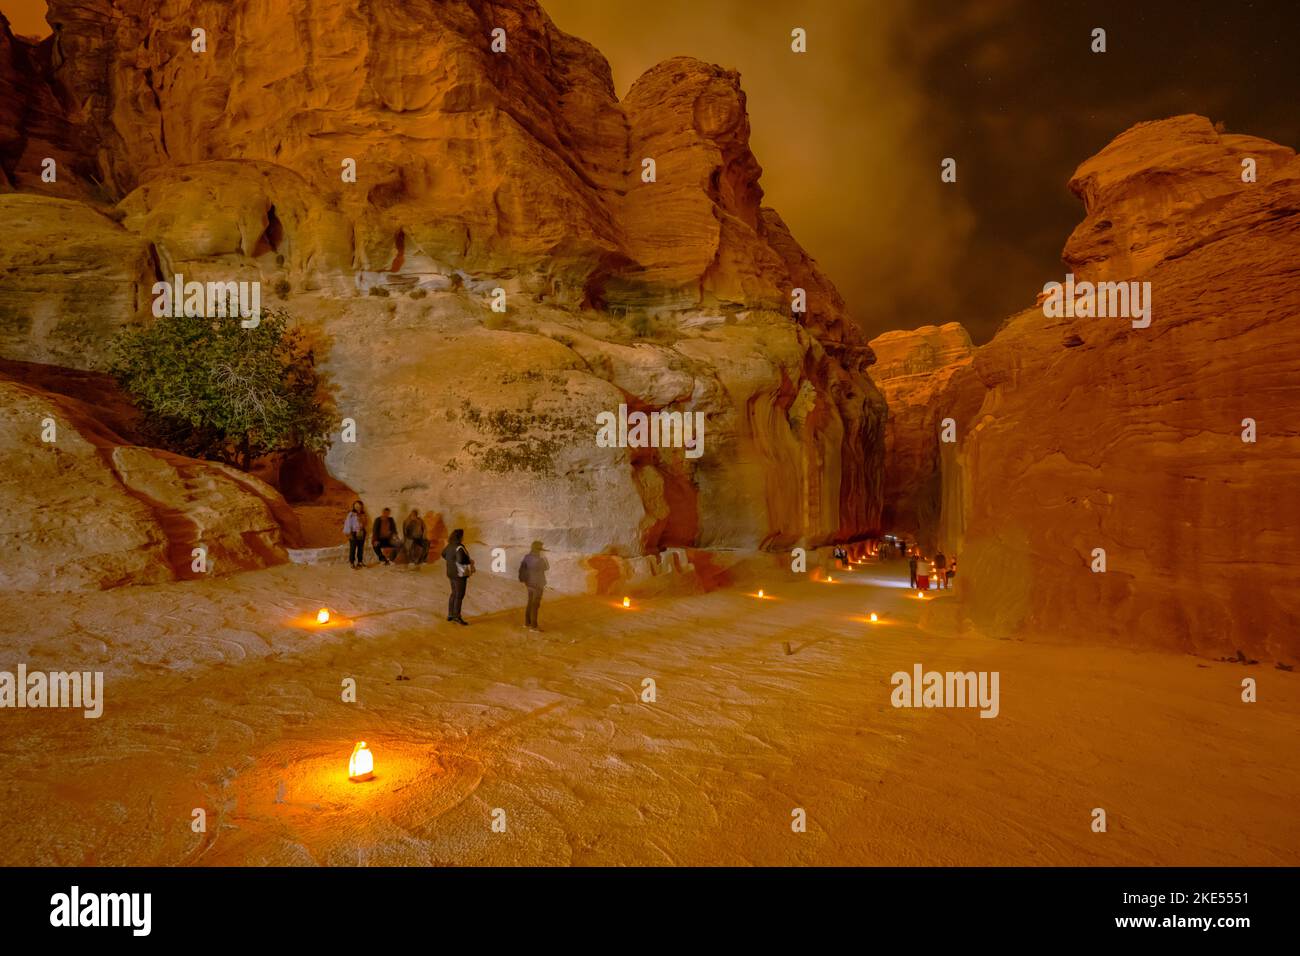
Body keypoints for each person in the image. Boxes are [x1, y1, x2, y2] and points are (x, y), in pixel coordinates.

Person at [442, 528, 474, 625]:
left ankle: (450, 615)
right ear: (460, 537)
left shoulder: (449, 545)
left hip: (450, 572)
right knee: (459, 595)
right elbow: (460, 560)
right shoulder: (459, 547)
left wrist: (451, 561)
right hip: (459, 574)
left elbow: (443, 554)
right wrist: (469, 561)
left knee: (453, 593)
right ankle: (457, 616)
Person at [518, 540, 549, 631]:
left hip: (529, 583)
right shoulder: (539, 559)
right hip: (537, 584)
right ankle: (534, 626)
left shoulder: (527, 557)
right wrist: (544, 557)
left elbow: (523, 568)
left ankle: (527, 623)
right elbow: (547, 567)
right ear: (539, 549)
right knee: (535, 605)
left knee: (530, 603)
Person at [343, 500, 367, 569]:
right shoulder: (351, 514)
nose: (357, 507)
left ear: (361, 506)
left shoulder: (363, 514)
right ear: (354, 506)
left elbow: (365, 523)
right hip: (353, 532)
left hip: (361, 532)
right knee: (353, 548)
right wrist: (349, 533)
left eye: (359, 505)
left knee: (360, 548)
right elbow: (348, 523)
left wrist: (361, 519)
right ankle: (352, 562)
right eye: (356, 505)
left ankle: (360, 562)